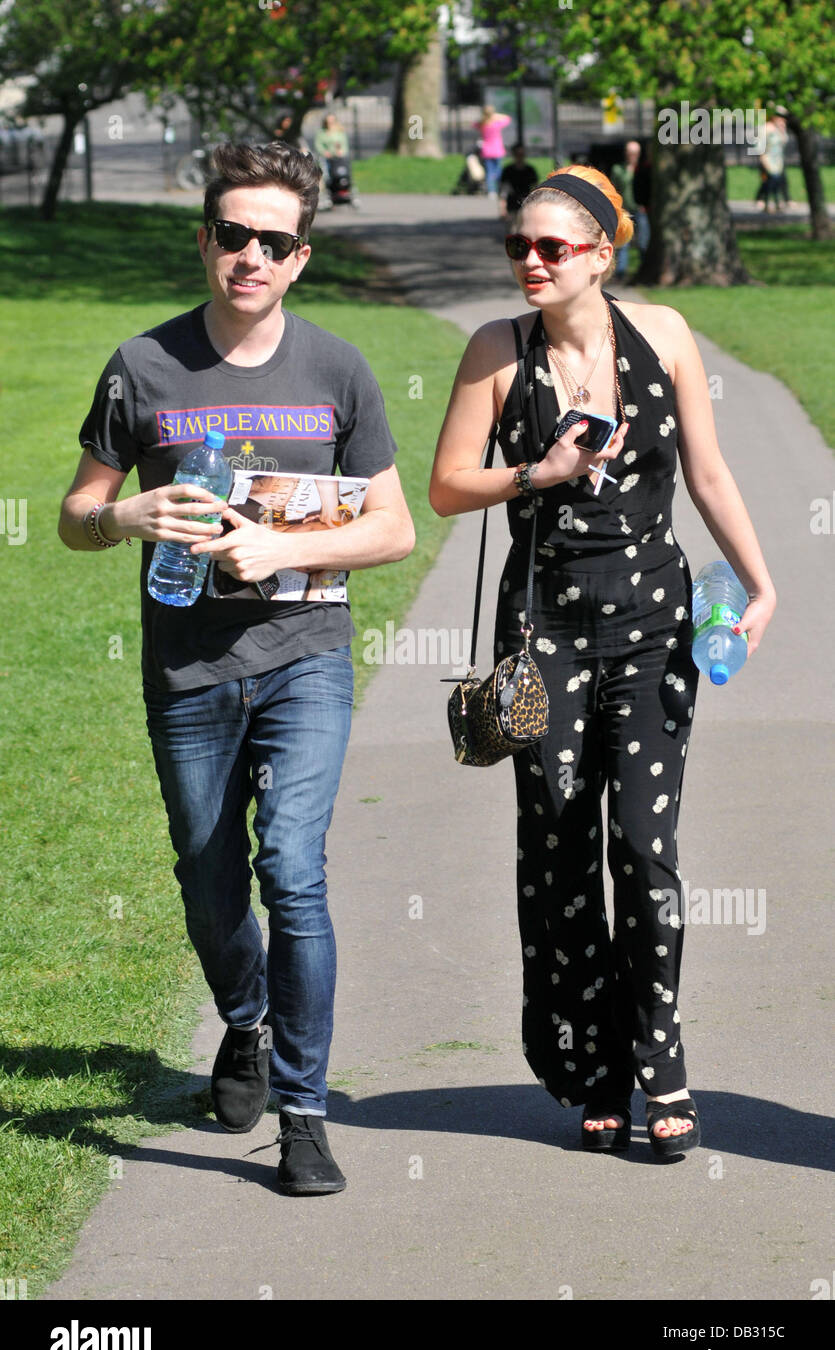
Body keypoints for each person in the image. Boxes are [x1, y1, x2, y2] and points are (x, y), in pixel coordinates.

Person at [58, 140, 415, 1195]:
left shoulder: (338, 370)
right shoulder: (143, 365)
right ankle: (246, 1021)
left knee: (291, 873)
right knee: (209, 889)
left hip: (306, 657)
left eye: (274, 241)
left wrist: (287, 548)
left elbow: (392, 528)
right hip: (189, 672)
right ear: (204, 240)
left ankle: (304, 1112)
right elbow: (77, 517)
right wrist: (121, 513)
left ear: (299, 258)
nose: (250, 256)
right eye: (233, 235)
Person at [429, 165, 776, 1158]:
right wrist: (541, 470)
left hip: (657, 625)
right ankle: (593, 1062)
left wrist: (761, 584)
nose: (529, 263)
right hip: (543, 637)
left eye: (551, 247)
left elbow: (706, 469)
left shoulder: (662, 333)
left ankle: (660, 1059)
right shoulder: (496, 353)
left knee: (644, 848)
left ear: (602, 255)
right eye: (517, 247)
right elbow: (448, 489)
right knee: (560, 851)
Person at [610, 140, 650, 279]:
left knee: (643, 241)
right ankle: (621, 272)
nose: (632, 155)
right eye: (630, 153)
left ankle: (643, 269)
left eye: (635, 153)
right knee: (623, 242)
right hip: (625, 210)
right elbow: (614, 189)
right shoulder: (618, 169)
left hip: (640, 209)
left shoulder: (644, 169)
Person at [474, 105, 513, 197]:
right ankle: (500, 188)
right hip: (497, 150)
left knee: (489, 171)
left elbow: (474, 124)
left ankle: (492, 191)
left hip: (487, 150)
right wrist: (496, 116)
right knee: (498, 171)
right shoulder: (496, 124)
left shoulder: (483, 124)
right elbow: (508, 119)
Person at [498, 144, 539, 222]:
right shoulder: (508, 171)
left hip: (527, 204)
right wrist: (502, 208)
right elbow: (503, 191)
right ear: (514, 155)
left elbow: (535, 189)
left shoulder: (530, 171)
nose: (520, 157)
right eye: (518, 154)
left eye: (522, 154)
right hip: (512, 204)